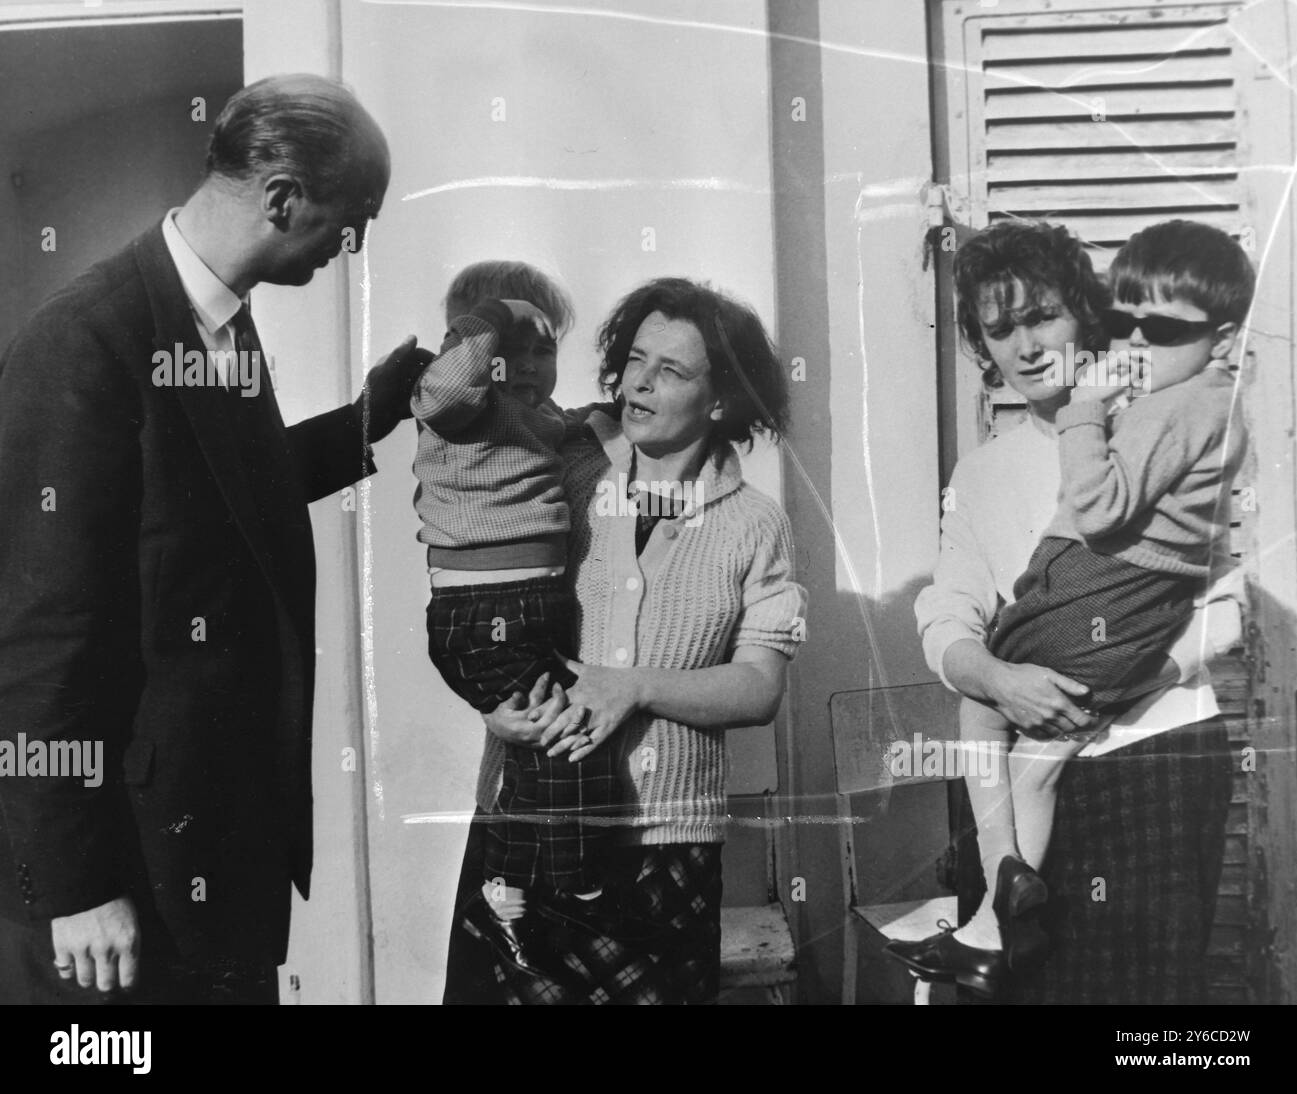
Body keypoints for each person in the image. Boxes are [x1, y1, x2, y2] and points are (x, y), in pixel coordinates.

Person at [0, 73, 432, 1004]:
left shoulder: (215, 324)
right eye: (353, 220)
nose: (352, 248)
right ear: (285, 199)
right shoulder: (85, 343)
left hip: (213, 858)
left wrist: (371, 417)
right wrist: (72, 888)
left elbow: (215, 501)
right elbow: (42, 644)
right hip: (121, 886)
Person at [889, 219, 1252, 991]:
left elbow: (1233, 599)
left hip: (1151, 754)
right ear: (981, 346)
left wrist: (1125, 684)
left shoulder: (1162, 422)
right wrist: (993, 677)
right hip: (1018, 765)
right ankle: (999, 905)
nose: (1025, 346)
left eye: (1042, 315)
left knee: (1145, 1005)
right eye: (1000, 329)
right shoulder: (981, 473)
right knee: (1031, 987)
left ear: (1087, 313)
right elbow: (948, 613)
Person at [444, 277, 806, 1004]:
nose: (639, 382)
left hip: (664, 849)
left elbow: (760, 687)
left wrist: (634, 686)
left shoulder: (755, 524)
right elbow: (482, 596)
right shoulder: (564, 474)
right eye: (635, 359)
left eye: (670, 370)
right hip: (527, 825)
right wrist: (491, 703)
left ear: (722, 400)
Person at [410, 260, 616, 977]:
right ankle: (541, 889)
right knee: (557, 747)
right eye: (507, 351)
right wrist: (482, 326)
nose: (526, 367)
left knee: (549, 745)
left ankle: (519, 889)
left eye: (542, 349)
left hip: (524, 609)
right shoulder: (458, 406)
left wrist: (603, 418)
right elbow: (442, 389)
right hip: (485, 608)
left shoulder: (535, 419)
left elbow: (571, 426)